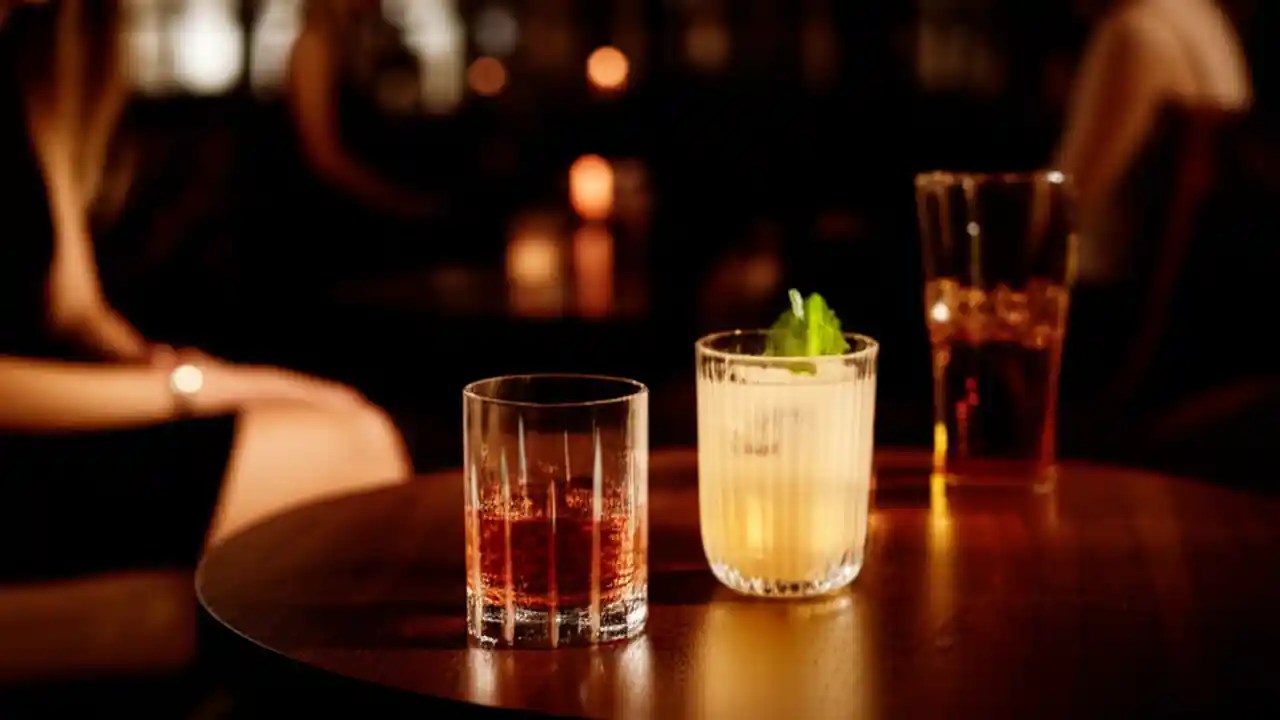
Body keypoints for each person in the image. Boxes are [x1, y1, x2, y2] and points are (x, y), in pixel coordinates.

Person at [0, 0, 410, 673]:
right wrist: (182, 392)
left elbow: (75, 309)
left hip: (70, 414)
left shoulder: (31, 60)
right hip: (21, 445)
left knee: (351, 423)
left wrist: (215, 377)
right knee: (350, 456)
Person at [1056, 0, 1251, 283]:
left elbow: (1066, 207)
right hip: (1190, 297)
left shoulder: (1136, 34)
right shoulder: (1206, 19)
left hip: (1101, 299)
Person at [287, 0, 435, 220]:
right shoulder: (316, 45)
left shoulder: (354, 45)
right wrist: (396, 202)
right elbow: (323, 154)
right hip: (324, 211)